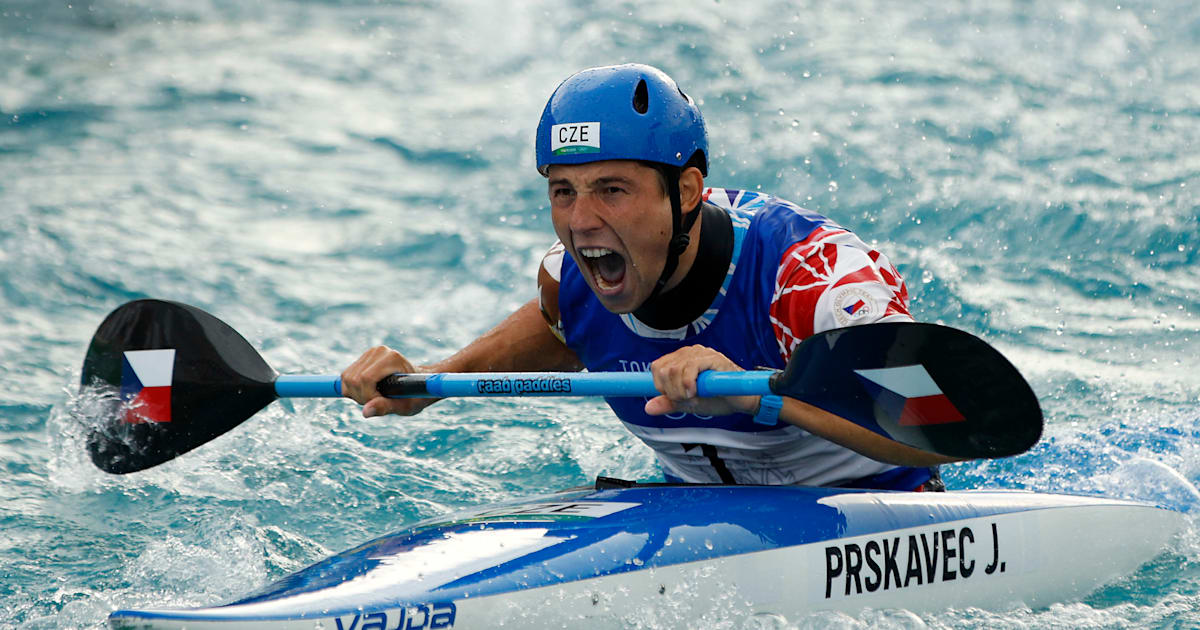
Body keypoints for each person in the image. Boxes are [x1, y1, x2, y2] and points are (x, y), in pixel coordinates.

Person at [342, 63, 955, 489]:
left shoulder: (814, 280)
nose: (580, 222)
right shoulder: (572, 281)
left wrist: (757, 393)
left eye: (612, 190)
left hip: (878, 512)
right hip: (691, 511)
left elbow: (943, 426)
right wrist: (431, 381)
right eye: (563, 191)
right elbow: (558, 327)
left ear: (686, 191)